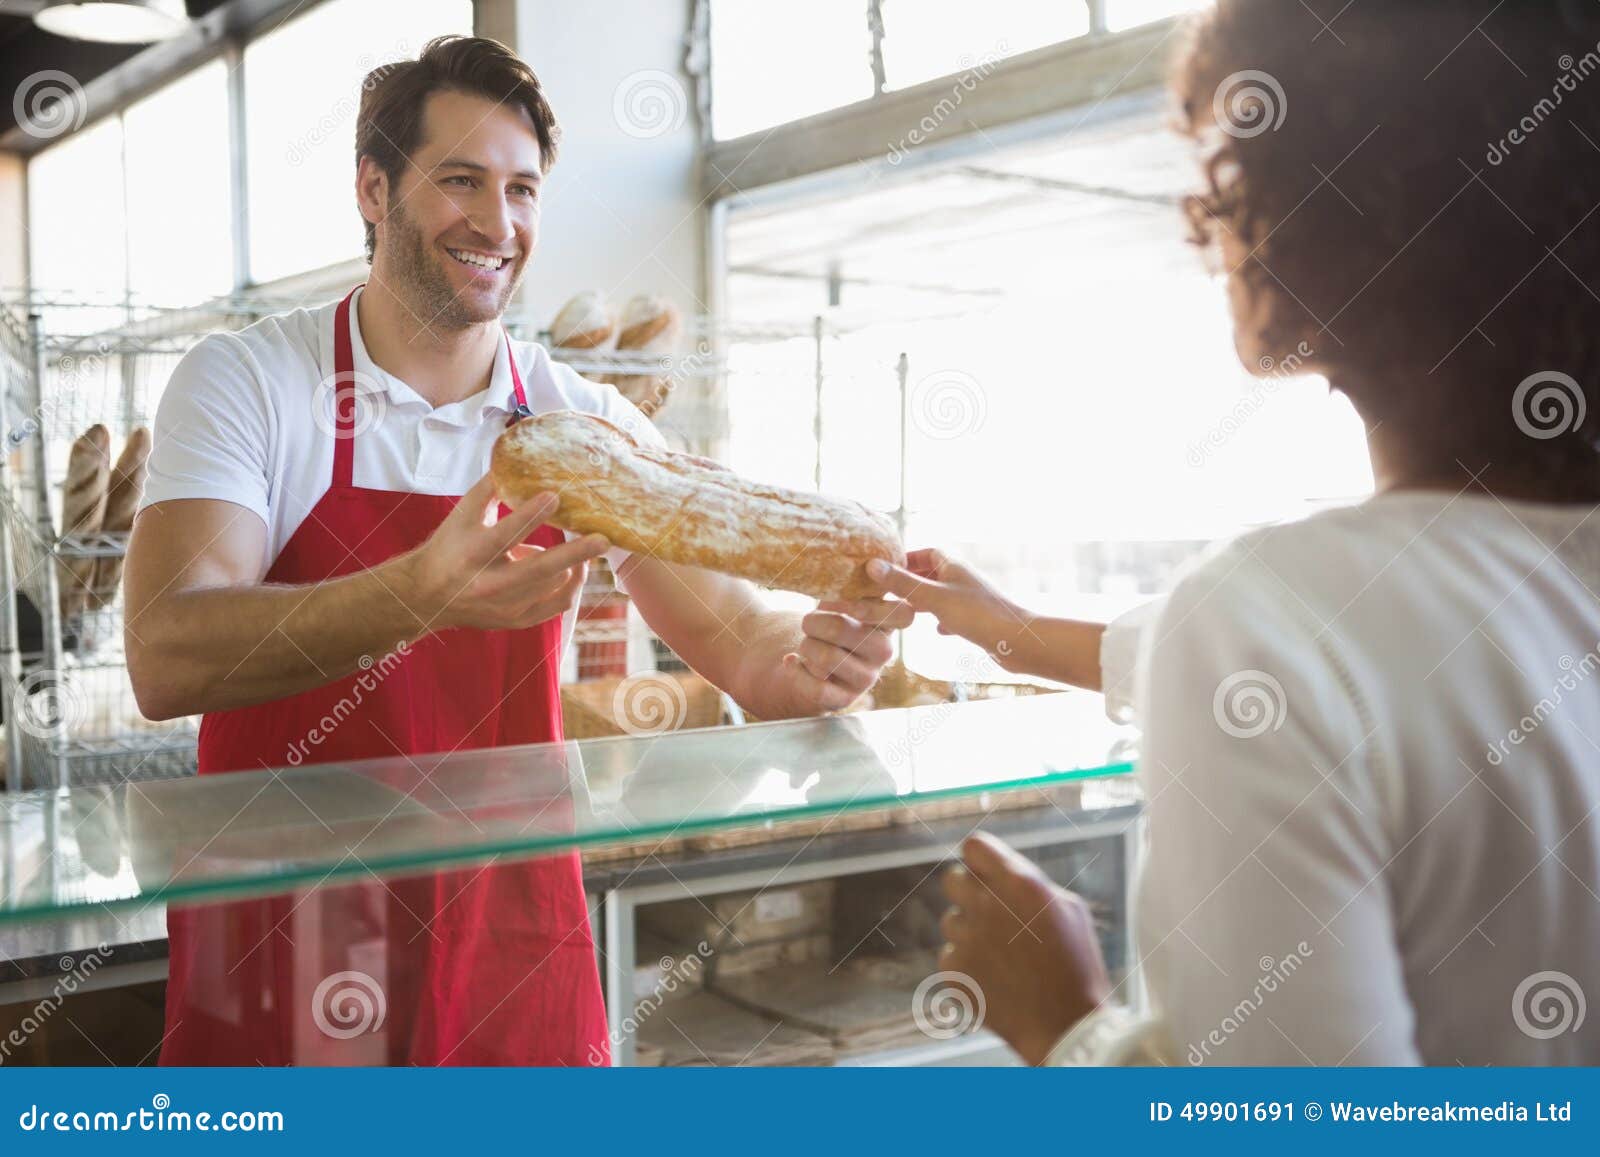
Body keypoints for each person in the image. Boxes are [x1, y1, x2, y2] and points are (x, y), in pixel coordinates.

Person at [124, 35, 909, 1066]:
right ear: (372, 187)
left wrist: (811, 667)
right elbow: (166, 653)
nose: (497, 223)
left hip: (508, 937)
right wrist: (419, 593)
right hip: (289, 928)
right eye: (460, 180)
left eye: (523, 189)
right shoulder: (251, 382)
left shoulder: (584, 421)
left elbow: (743, 645)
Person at [871, 0, 1600, 1065]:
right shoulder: (1320, 620)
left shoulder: (1269, 616)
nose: (1205, 215)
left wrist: (1065, 1018)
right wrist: (1003, 627)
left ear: (1321, 211)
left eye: (1231, 161)